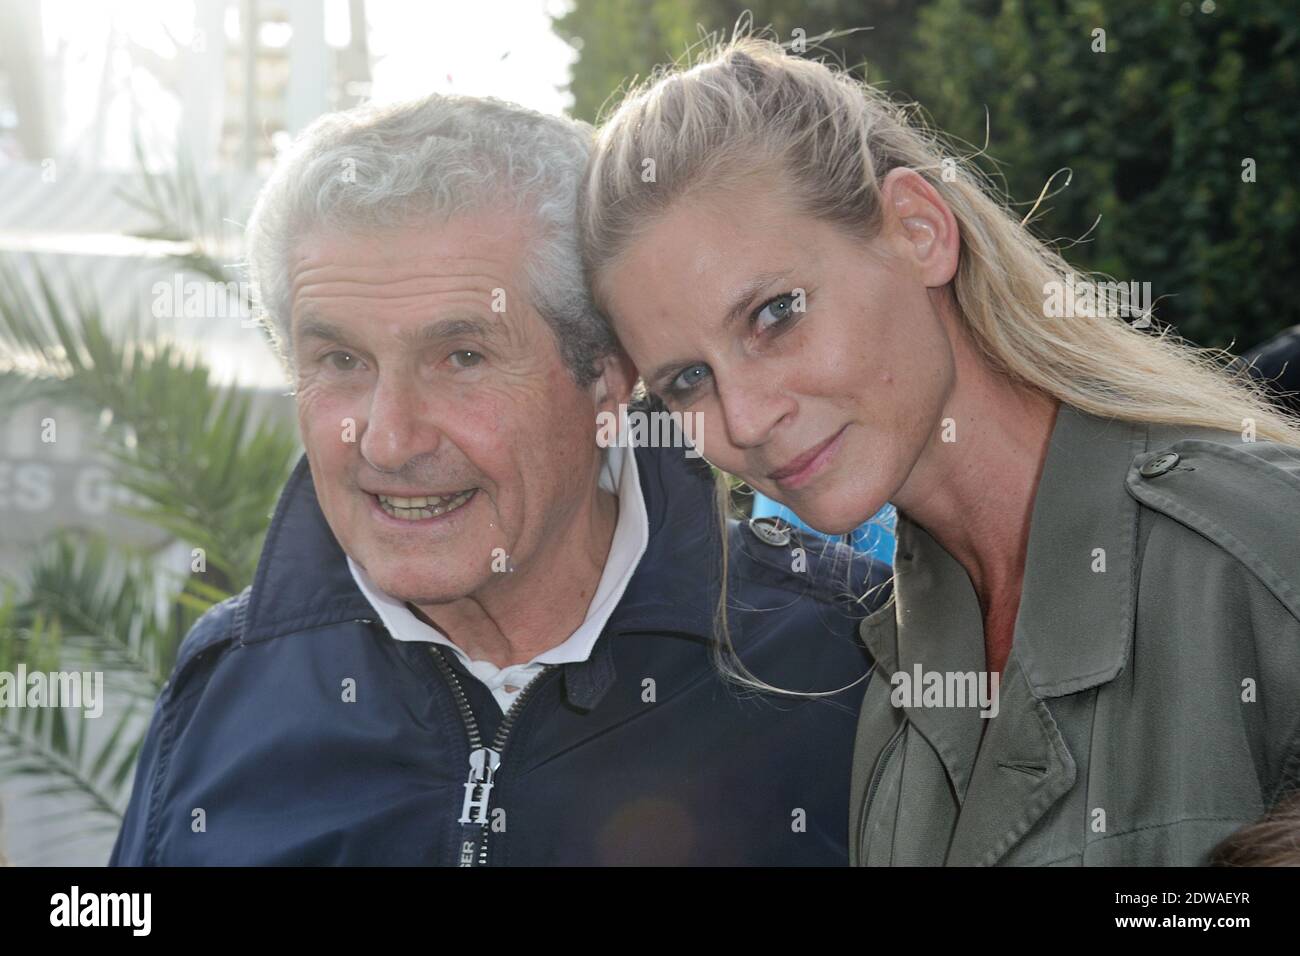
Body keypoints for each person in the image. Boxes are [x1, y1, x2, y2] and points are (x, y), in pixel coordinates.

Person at [109, 93, 889, 867]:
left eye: (463, 358)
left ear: (609, 380)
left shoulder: (850, 663)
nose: (388, 440)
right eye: (341, 362)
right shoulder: (223, 686)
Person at [579, 35, 1300, 865]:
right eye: (685, 382)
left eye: (775, 314)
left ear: (920, 230)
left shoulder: (1254, 560)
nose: (743, 419)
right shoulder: (882, 675)